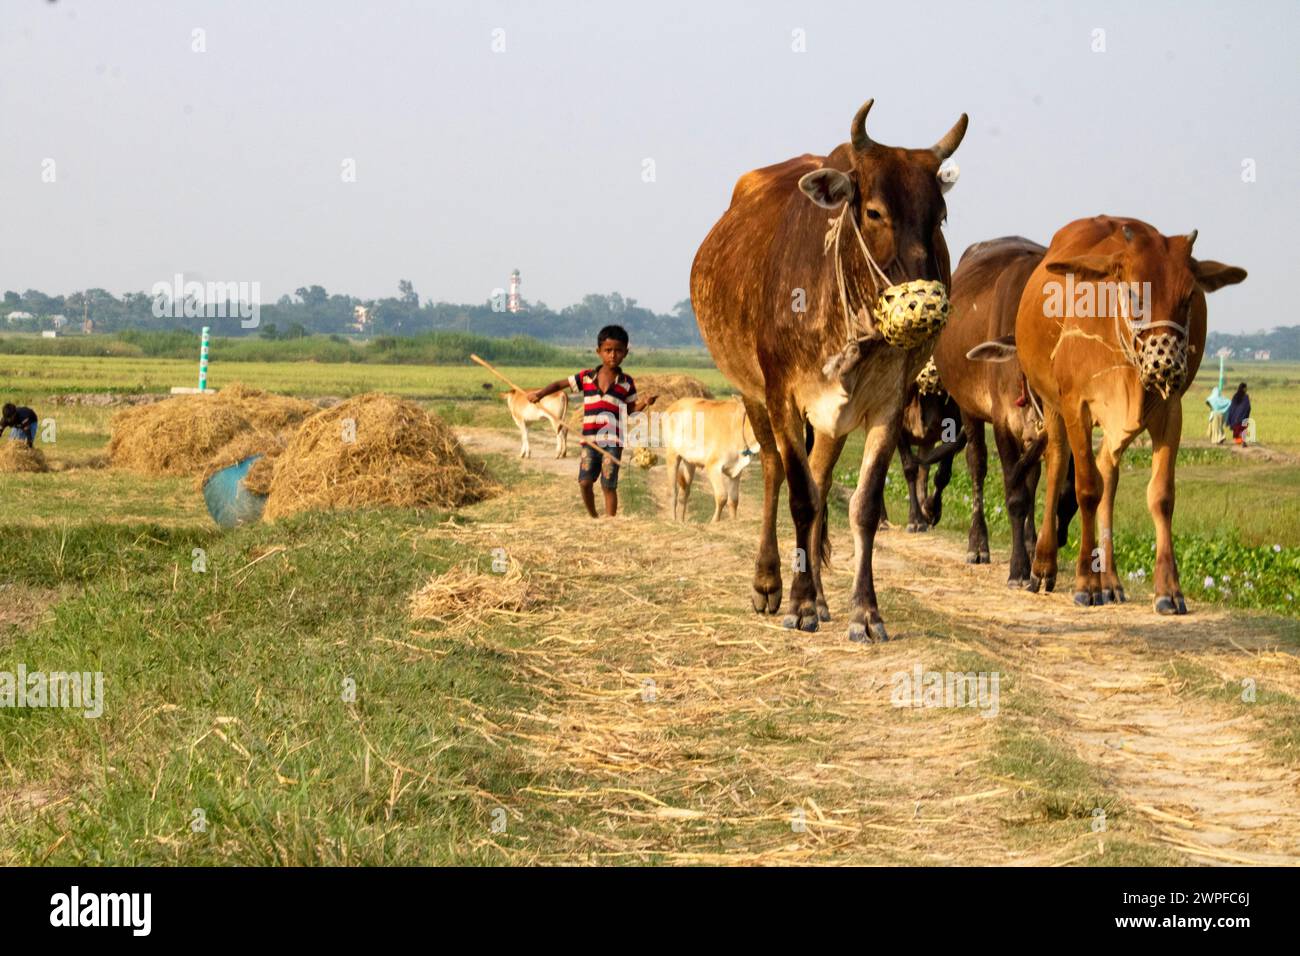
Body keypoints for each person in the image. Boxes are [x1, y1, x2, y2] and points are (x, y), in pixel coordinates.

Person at [527, 325, 656, 518]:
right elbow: (559, 384)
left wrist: (644, 403)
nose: (613, 355)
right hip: (589, 440)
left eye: (618, 351)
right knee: (585, 482)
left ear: (626, 353)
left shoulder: (626, 383)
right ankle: (594, 517)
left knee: (608, 484)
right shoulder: (587, 377)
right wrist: (540, 394)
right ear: (599, 352)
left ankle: (609, 522)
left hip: (613, 443)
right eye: (608, 350)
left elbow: (629, 410)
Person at [1205, 356, 1231, 444]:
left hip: (1215, 415)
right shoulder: (1221, 399)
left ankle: (1218, 439)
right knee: (1220, 428)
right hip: (1222, 415)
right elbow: (1229, 403)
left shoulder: (1213, 398)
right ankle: (1221, 437)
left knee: (1216, 428)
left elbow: (1208, 401)